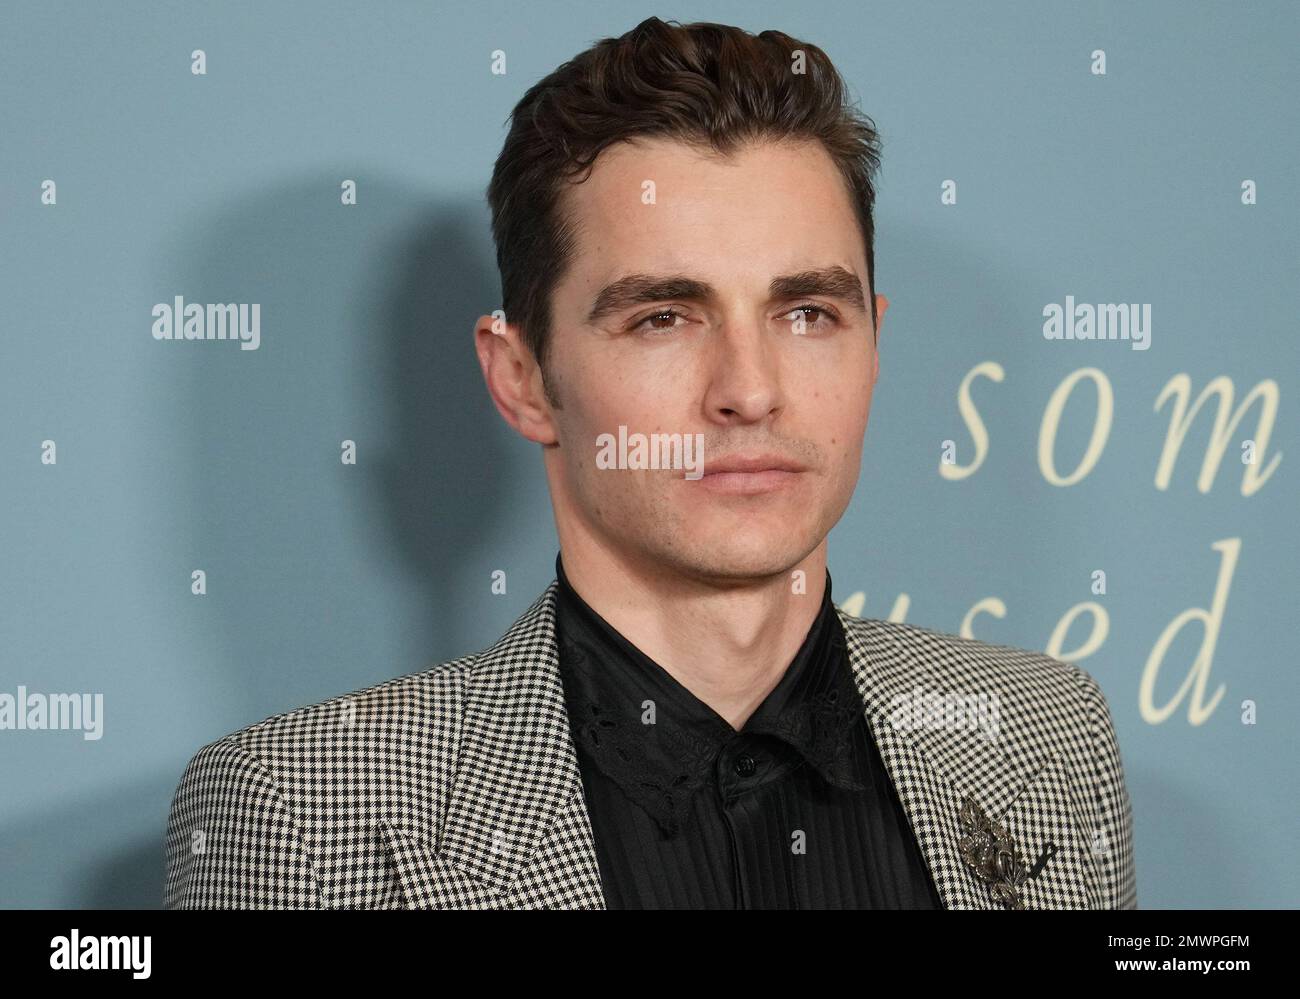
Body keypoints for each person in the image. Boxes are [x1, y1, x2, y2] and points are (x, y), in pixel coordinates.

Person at [164, 16, 1136, 909]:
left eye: (807, 314)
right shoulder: (303, 811)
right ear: (523, 379)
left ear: (873, 348)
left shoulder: (1047, 736)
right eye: (663, 317)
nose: (750, 391)